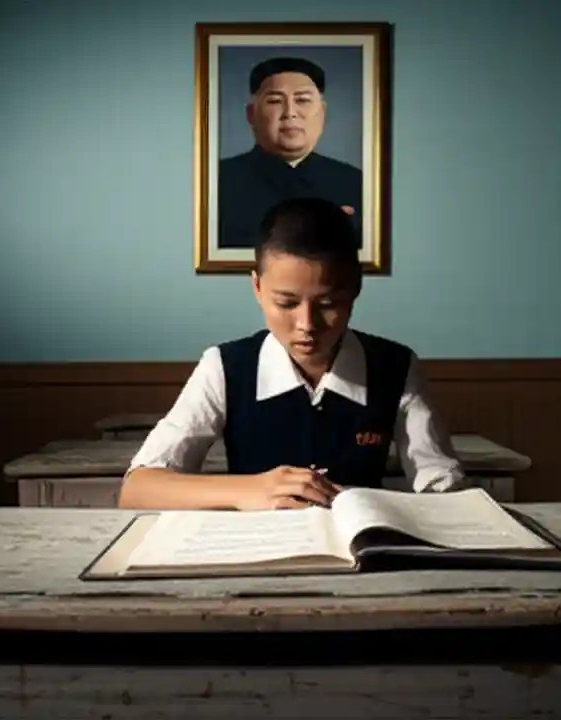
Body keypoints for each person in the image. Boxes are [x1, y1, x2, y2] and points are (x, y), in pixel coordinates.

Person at [119, 197, 467, 511]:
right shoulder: (225, 366)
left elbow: (441, 485)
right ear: (257, 287)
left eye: (327, 303)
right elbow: (138, 489)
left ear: (356, 287)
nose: (306, 325)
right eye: (286, 303)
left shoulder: (396, 366)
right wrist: (251, 490)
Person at [217, 56, 363, 249]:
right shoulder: (215, 181)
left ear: (323, 113)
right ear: (251, 114)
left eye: (302, 100)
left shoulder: (356, 184)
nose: (290, 113)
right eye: (275, 101)